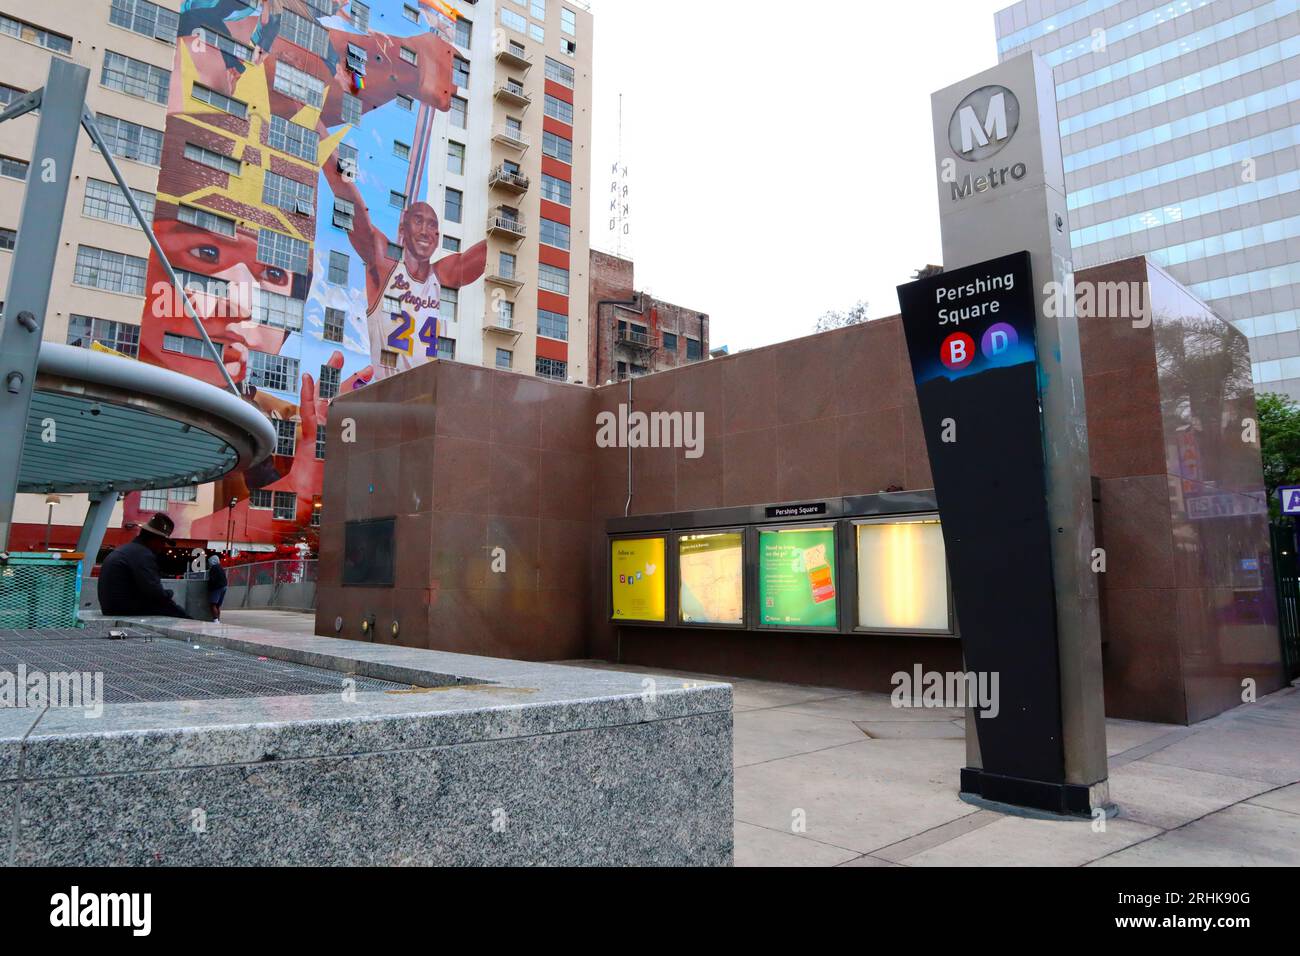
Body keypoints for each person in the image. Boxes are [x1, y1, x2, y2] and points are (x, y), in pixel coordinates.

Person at [97, 514, 192, 619]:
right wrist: (170, 594)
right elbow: (155, 593)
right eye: (163, 542)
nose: (163, 546)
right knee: (177, 613)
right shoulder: (143, 554)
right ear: (155, 539)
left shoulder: (127, 550)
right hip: (123, 610)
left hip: (111, 608)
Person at [207, 553, 229, 623]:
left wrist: (209, 588)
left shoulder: (213, 568)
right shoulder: (220, 567)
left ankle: (215, 620)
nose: (208, 563)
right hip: (224, 586)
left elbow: (212, 580)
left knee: (213, 604)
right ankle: (218, 620)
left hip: (217, 587)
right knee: (218, 605)